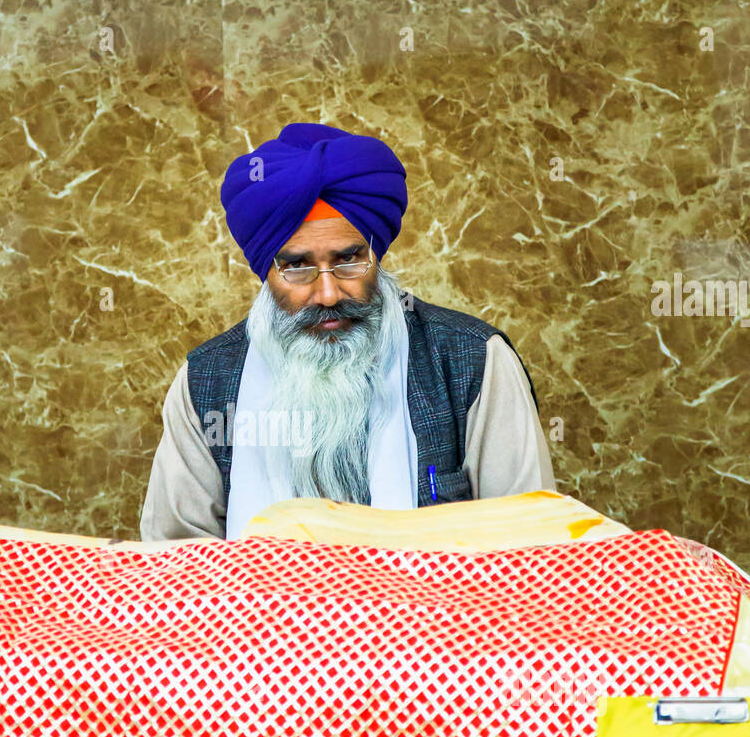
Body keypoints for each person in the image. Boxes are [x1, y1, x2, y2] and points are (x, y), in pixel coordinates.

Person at [140, 122, 554, 540]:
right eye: (297, 266)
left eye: (349, 259)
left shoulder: (473, 361)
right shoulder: (206, 380)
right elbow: (175, 567)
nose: (327, 293)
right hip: (257, 607)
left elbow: (529, 547)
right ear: (265, 272)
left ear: (376, 255)